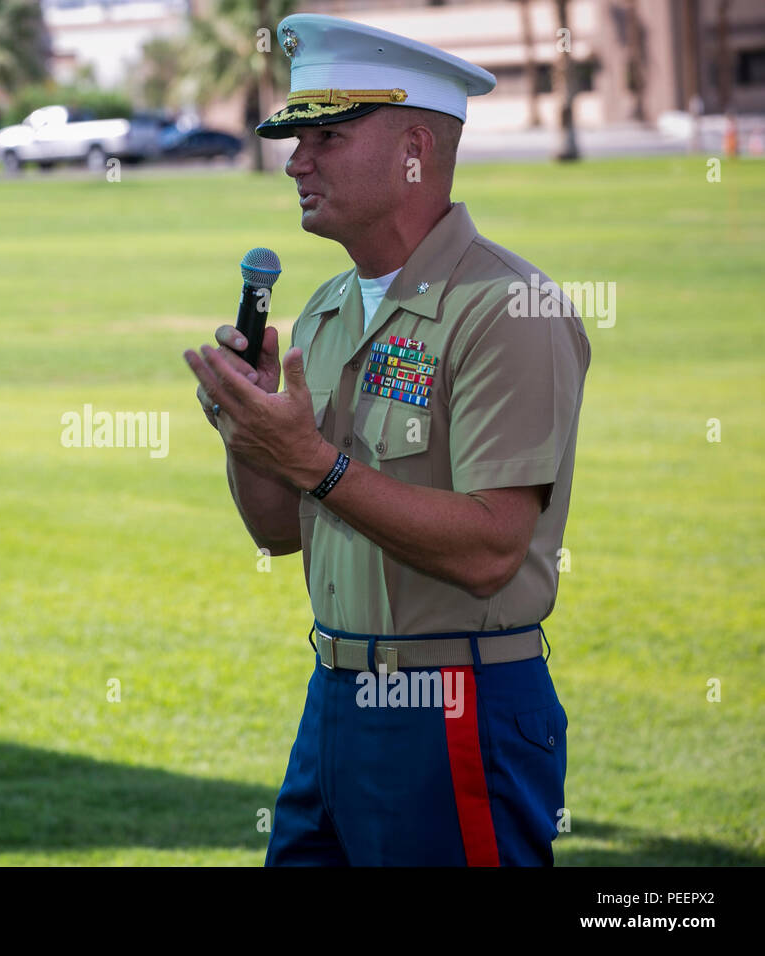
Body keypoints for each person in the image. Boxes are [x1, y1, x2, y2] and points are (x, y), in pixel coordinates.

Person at [183, 13, 591, 866]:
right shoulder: (328, 308)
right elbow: (278, 529)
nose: (296, 161)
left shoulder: (508, 309)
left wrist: (312, 462)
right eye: (297, 137)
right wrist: (248, 426)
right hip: (335, 694)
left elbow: (490, 551)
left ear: (414, 147)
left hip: (456, 699)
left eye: (326, 135)